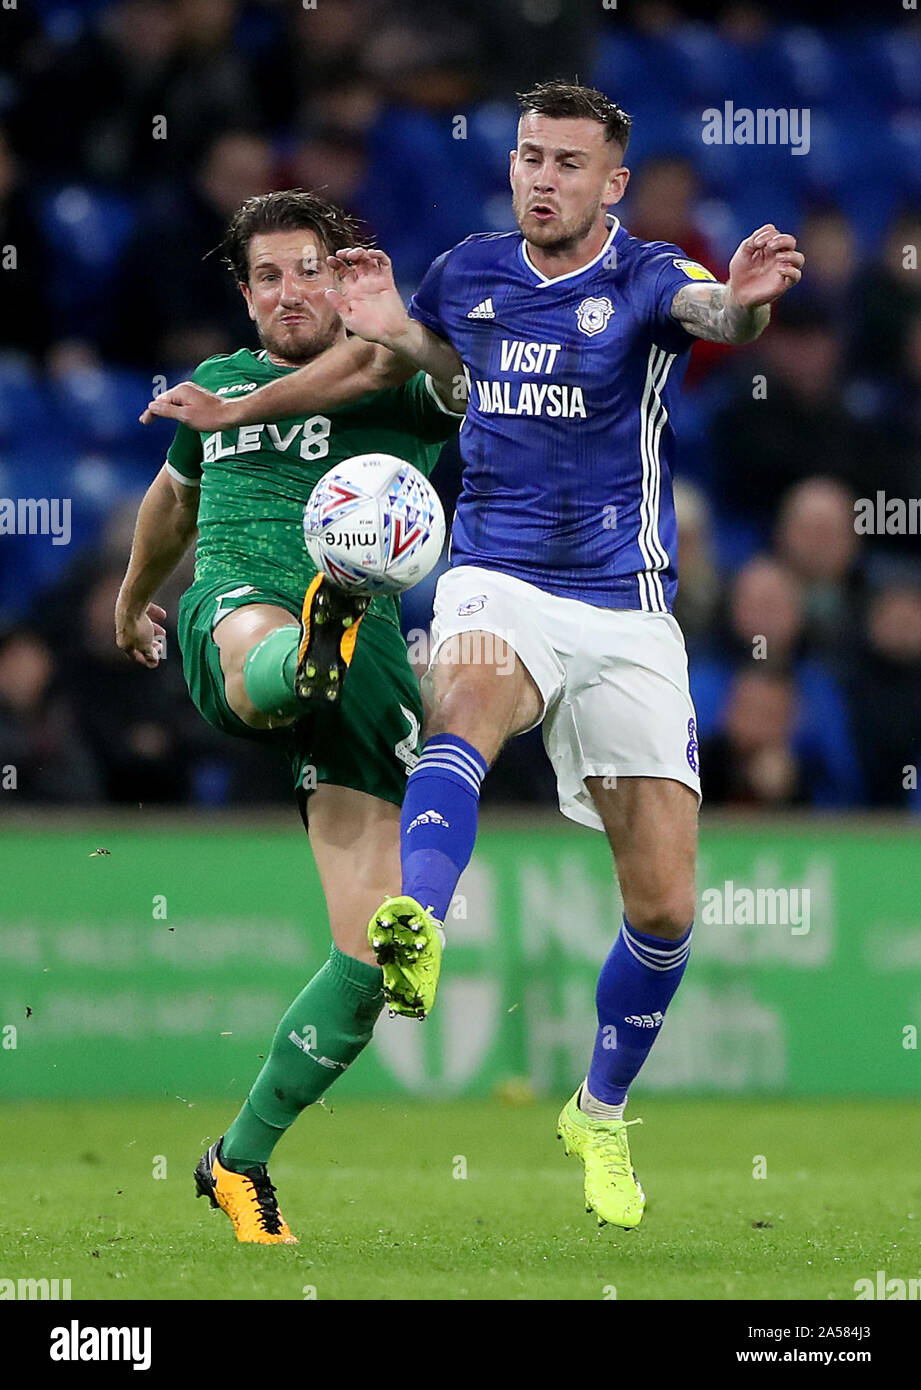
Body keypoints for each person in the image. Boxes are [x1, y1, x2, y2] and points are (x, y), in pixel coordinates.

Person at [146, 80, 804, 1229]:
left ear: (612, 183)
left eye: (567, 163)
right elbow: (371, 368)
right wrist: (263, 404)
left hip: (626, 603)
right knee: (466, 703)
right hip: (497, 571)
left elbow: (716, 318)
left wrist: (745, 308)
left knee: (663, 911)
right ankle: (423, 918)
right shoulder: (468, 272)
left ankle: (598, 1109)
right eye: (528, 157)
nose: (541, 178)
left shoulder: (647, 276)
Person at [120, 188, 462, 1244]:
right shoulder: (217, 384)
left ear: (338, 272)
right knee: (253, 640)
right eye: (265, 276)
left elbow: (458, 379)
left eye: (305, 269)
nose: (285, 292)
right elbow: (173, 505)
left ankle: (237, 1159)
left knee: (367, 962)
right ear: (246, 293)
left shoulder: (391, 376)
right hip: (242, 607)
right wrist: (134, 600)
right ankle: (303, 646)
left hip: (362, 670)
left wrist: (401, 321)